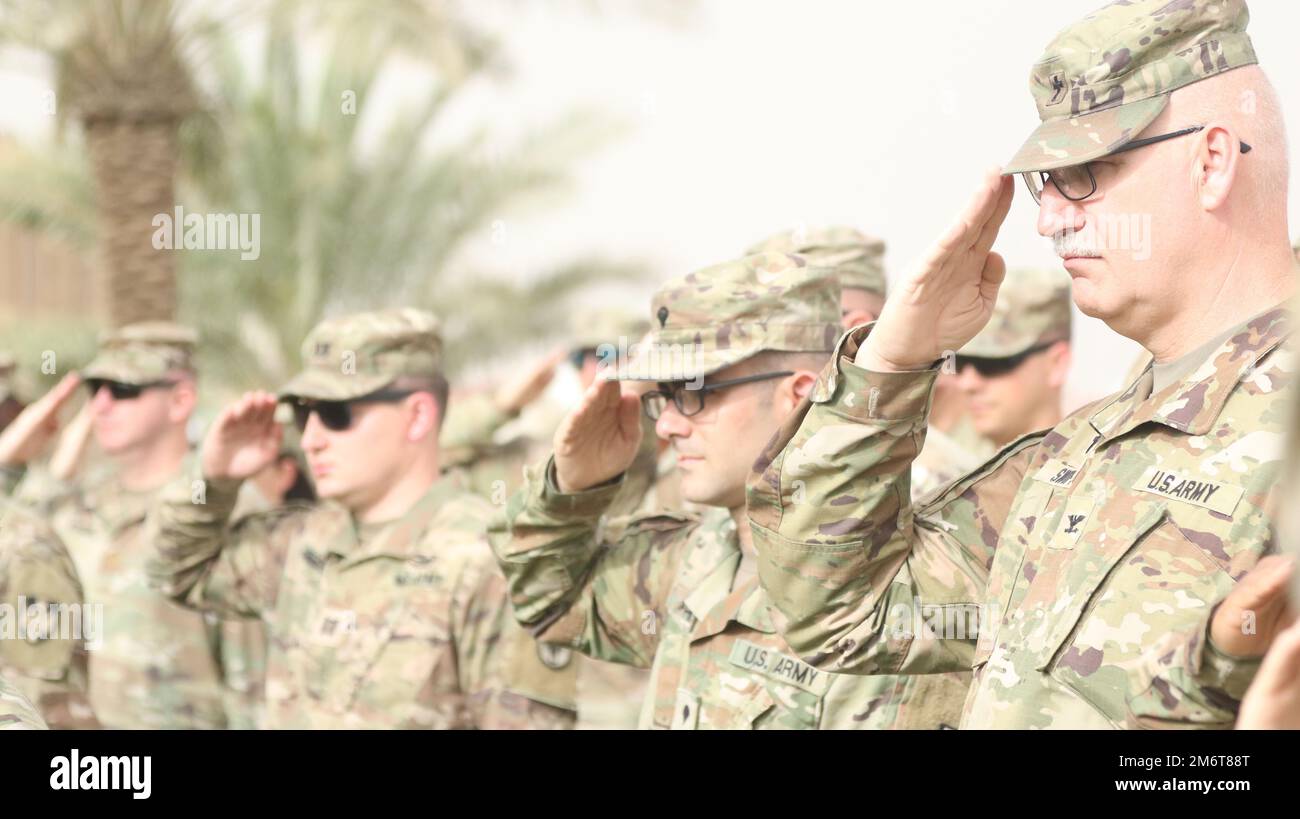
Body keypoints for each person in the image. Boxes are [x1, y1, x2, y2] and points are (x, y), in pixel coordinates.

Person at [746, 0, 1294, 729]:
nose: (1049, 218)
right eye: (1047, 182)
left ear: (1212, 161)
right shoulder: (1082, 451)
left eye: (1087, 172)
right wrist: (891, 361)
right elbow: (840, 609)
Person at [492, 252, 967, 729]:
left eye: (696, 393)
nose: (671, 424)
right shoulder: (699, 553)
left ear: (798, 393)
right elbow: (551, 603)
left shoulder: (907, 584)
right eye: (666, 397)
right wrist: (572, 490)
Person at [147, 308, 577, 728]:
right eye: (303, 414)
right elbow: (176, 571)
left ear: (418, 416)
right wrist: (211, 477)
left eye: (337, 414)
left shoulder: (490, 563)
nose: (312, 438)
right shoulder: (301, 542)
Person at [0, 323, 265, 729]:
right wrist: (10, 464)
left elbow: (255, 690)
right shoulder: (72, 505)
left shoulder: (221, 516)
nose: (101, 405)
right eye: (95, 389)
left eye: (123, 390)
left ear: (180, 400)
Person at [953, 268, 1072, 448]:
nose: (968, 383)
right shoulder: (938, 470)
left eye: (991, 364)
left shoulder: (1099, 471)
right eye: (959, 364)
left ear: (1057, 364)